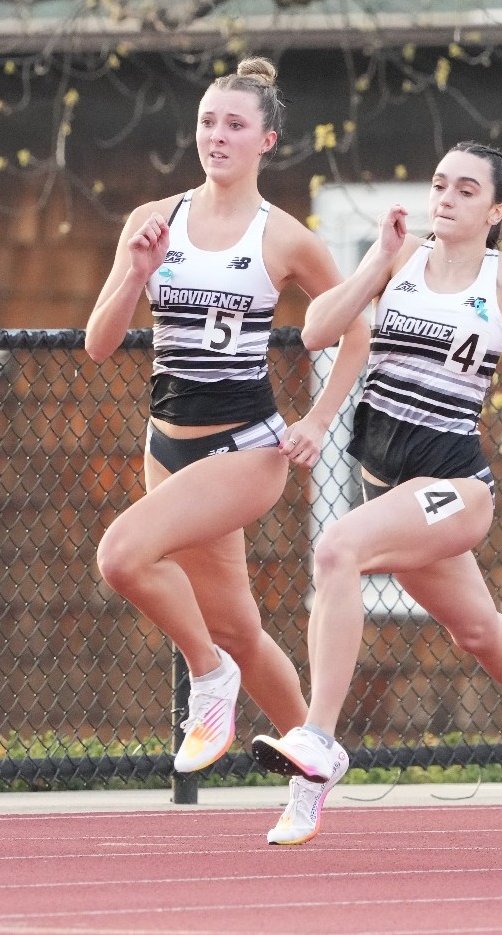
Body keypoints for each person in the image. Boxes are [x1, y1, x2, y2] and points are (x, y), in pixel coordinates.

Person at [247, 141, 502, 845]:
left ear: (494, 211)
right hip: (387, 485)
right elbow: (316, 332)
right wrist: (373, 259)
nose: (446, 198)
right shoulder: (398, 260)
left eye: (464, 190)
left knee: (336, 549)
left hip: (455, 486)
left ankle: (318, 747)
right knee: (477, 632)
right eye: (438, 185)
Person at [83, 58, 368, 786]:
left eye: (234, 125)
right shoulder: (153, 222)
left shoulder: (285, 238)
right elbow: (99, 343)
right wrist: (133, 276)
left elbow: (353, 329)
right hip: (166, 444)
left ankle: (208, 679)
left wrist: (319, 418)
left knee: (121, 558)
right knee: (240, 626)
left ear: (266, 140)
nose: (217, 135)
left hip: (245, 449)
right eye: (208, 121)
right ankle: (316, 757)